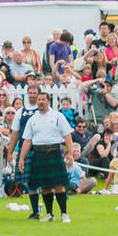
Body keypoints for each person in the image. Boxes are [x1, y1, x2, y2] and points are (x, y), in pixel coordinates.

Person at [17, 90, 74, 221]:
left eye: (43, 99)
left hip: (54, 152)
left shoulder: (57, 116)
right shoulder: (33, 119)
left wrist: (70, 153)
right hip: (39, 153)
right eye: (39, 100)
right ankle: (49, 214)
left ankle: (64, 214)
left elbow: (67, 135)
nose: (41, 102)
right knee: (45, 186)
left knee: (59, 184)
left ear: (49, 101)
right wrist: (21, 158)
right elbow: (27, 140)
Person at [5, 84, 43, 218]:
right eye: (30, 93)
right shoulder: (21, 111)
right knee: (31, 182)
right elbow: (15, 133)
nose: (32, 95)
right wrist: (9, 152)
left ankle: (48, 210)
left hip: (42, 149)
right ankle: (35, 212)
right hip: (25, 150)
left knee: (45, 181)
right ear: (27, 94)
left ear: (39, 94)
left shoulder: (43, 110)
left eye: (35, 93)